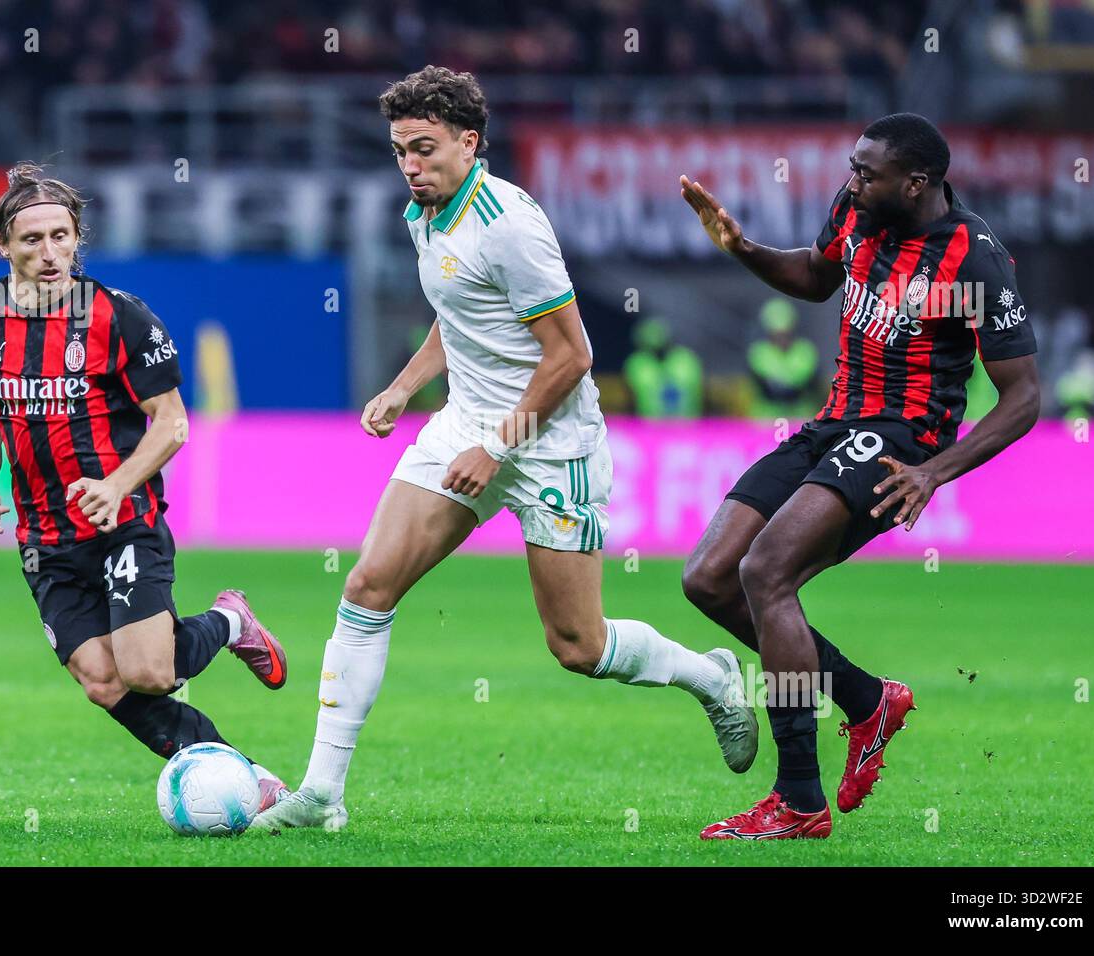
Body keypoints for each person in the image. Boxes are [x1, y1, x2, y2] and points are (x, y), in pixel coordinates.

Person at [259, 66, 756, 832]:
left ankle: (713, 679)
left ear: (469, 141)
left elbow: (571, 358)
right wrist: (401, 387)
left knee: (577, 646)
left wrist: (496, 447)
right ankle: (321, 794)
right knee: (367, 586)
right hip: (466, 425)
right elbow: (458, 316)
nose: (410, 166)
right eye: (399, 152)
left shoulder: (510, 225)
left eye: (424, 150)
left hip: (552, 444)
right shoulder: (424, 213)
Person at [678, 113, 1039, 839]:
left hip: (902, 438)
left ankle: (798, 800)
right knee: (709, 577)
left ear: (918, 183)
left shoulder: (973, 259)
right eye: (853, 167)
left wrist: (935, 472)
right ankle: (865, 698)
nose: (851, 181)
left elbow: (1025, 397)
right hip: (833, 422)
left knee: (767, 571)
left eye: (867, 173)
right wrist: (742, 248)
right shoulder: (859, 211)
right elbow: (816, 278)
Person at [0, 163, 289, 811]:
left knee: (149, 672)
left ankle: (229, 619)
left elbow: (173, 424)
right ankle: (251, 780)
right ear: (3, 246)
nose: (48, 253)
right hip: (45, 536)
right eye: (31, 240)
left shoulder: (121, 318)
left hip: (124, 519)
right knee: (104, 682)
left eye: (60, 237)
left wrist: (116, 484)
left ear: (78, 239)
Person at [746, 298, 818, 421]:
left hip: (800, 417)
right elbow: (762, 386)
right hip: (766, 419)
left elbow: (811, 385)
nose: (781, 339)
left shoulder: (805, 351)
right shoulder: (759, 352)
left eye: (785, 334)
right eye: (777, 334)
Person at [623, 316, 704, 418]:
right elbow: (629, 400)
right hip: (648, 428)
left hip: (688, 426)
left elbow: (703, 394)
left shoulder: (687, 359)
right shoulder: (637, 363)